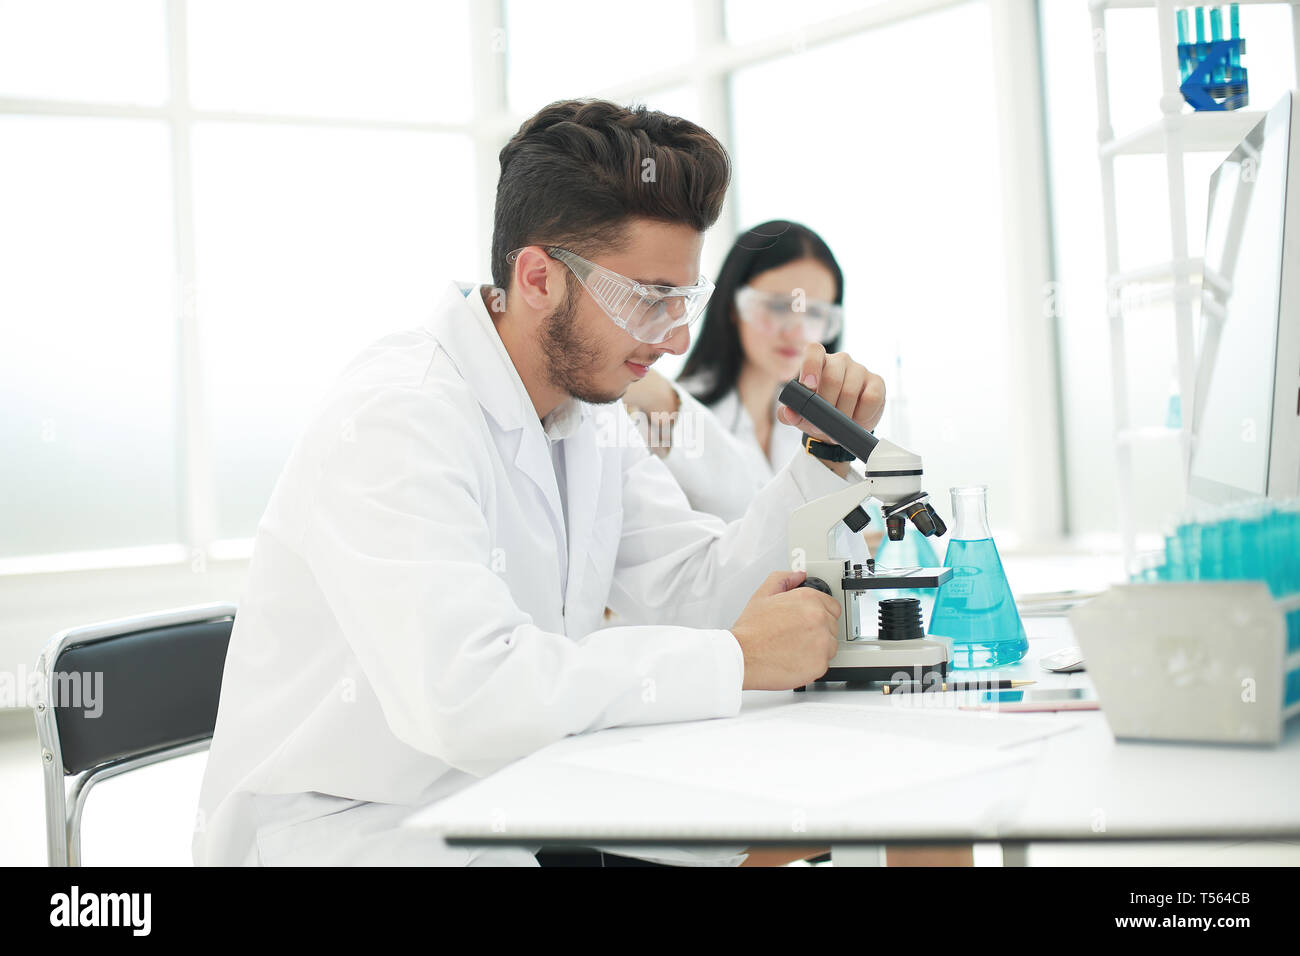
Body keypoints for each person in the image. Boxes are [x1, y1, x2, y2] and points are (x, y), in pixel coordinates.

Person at [193, 99, 886, 867]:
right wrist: (733, 659)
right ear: (537, 277)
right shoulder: (400, 418)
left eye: (681, 299)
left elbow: (696, 591)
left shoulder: (589, 415)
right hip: (355, 833)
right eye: (649, 298)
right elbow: (467, 696)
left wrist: (821, 460)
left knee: (832, 817)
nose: (678, 337)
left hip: (513, 802)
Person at [623, 220, 884, 555]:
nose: (796, 331)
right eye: (777, 307)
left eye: (814, 313)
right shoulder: (664, 413)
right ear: (734, 306)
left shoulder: (801, 426)